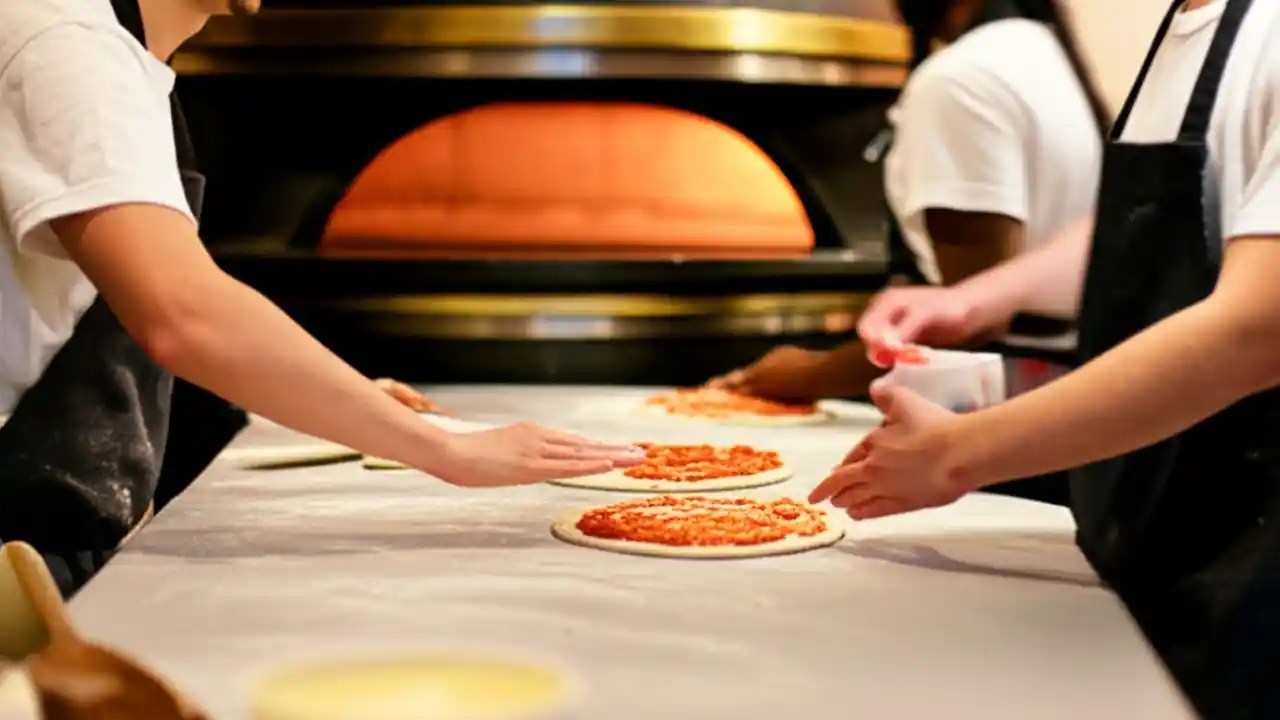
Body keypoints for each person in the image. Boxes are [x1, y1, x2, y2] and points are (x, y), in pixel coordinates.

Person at [0, 0, 642, 593]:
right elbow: (179, 312)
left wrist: (337, 399)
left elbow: (114, 311)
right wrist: (448, 452)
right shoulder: (67, 44)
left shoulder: (120, 57)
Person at [813, 0, 1280, 716]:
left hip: (1255, 562)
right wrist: (976, 299)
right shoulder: (1194, 27)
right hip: (1154, 528)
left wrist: (958, 454)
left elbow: (1258, 327)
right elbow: (1162, 217)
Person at [712, 0, 1106, 403]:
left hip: (985, 407)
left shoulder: (960, 79)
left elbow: (970, 329)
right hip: (1055, 393)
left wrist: (804, 375)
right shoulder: (1049, 57)